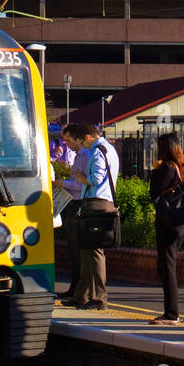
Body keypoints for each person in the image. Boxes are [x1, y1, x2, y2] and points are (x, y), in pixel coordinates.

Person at [66, 123, 119, 311]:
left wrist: (81, 178)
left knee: (94, 253)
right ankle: (82, 295)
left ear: (88, 137)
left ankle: (98, 299)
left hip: (97, 203)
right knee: (87, 251)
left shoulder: (98, 152)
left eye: (82, 142)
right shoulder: (109, 149)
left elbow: (96, 178)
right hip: (102, 203)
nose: (82, 146)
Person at [148, 135, 184, 324]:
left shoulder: (166, 167)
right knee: (167, 265)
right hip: (180, 222)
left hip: (169, 223)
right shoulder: (181, 166)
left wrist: (154, 170)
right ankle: (170, 312)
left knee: (167, 267)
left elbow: (154, 192)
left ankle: (171, 313)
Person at [54, 125, 90, 304]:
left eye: (68, 140)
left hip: (79, 203)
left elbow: (82, 184)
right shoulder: (79, 157)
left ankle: (78, 291)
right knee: (72, 249)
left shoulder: (85, 157)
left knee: (77, 249)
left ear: (78, 138)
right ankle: (74, 288)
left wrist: (63, 183)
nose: (66, 144)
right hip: (72, 202)